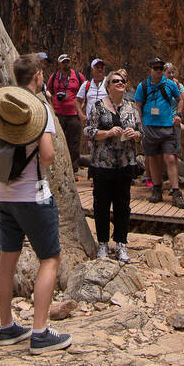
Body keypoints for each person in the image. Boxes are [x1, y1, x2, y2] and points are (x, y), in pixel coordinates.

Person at [0, 54, 72, 354]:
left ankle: (7, 326)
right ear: (37, 75)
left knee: (7, 259)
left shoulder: (2, 104)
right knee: (49, 259)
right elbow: (47, 155)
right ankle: (40, 332)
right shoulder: (40, 109)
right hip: (33, 196)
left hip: (3, 196)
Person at [83, 69, 140, 262]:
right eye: (115, 81)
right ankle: (103, 244)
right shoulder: (98, 107)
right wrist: (107, 133)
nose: (120, 83)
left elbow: (141, 132)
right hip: (102, 163)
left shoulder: (131, 106)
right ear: (108, 86)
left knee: (123, 205)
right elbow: (89, 131)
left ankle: (121, 244)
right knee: (101, 205)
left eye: (123, 81)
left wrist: (135, 134)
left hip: (125, 163)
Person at [133, 57, 184, 208]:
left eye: (160, 69)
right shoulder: (143, 86)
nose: (158, 71)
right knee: (154, 159)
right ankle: (157, 188)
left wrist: (178, 115)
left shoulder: (170, 84)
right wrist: (140, 123)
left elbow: (180, 100)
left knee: (170, 158)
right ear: (150, 69)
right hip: (149, 126)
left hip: (167, 126)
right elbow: (138, 105)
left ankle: (176, 191)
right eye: (155, 68)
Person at [46, 53, 85, 175]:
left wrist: (81, 107)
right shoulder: (54, 77)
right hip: (59, 114)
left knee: (74, 142)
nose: (66, 64)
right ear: (59, 64)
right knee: (57, 141)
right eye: (63, 62)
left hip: (73, 114)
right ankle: (59, 167)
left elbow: (85, 90)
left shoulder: (78, 76)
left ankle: (73, 169)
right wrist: (52, 106)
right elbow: (48, 91)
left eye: (67, 61)